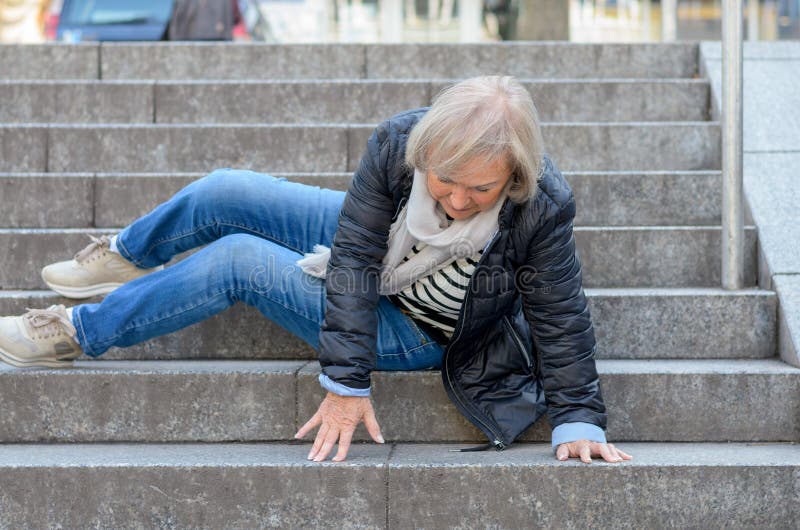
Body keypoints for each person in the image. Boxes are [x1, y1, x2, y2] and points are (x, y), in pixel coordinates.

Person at [0, 76, 631, 465]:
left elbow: (559, 312)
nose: (459, 200)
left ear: (513, 174)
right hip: (387, 249)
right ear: (424, 152)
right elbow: (355, 255)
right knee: (227, 190)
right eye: (445, 180)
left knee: (239, 258)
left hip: (418, 330)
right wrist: (345, 381)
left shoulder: (539, 204)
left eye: (481, 189)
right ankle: (126, 255)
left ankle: (78, 331)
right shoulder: (398, 144)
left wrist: (578, 417)